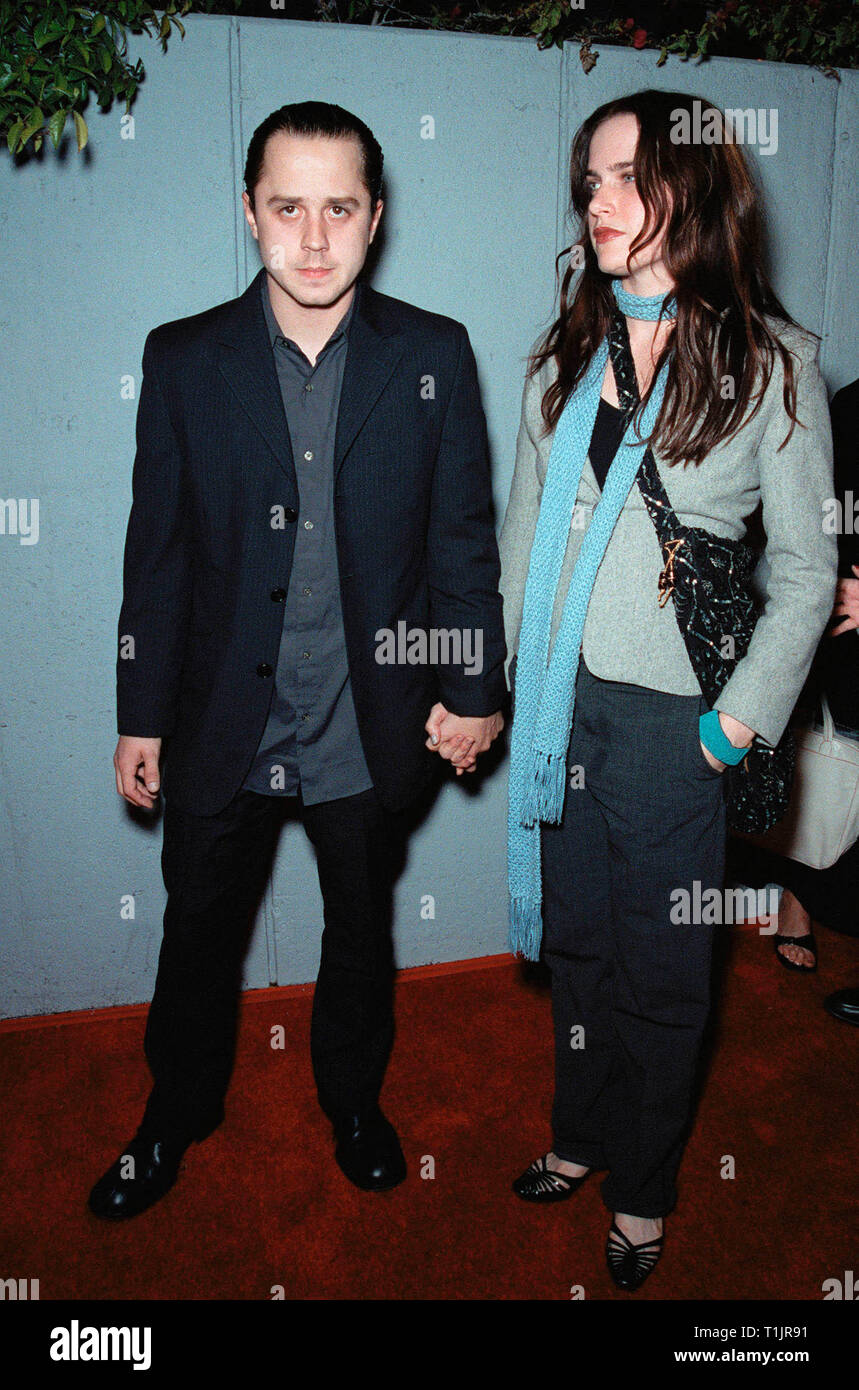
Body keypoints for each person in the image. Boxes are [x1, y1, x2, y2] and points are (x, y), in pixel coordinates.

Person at [89, 101, 506, 1222]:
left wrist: (472, 690)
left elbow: (460, 541)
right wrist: (139, 712)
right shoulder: (182, 360)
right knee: (196, 934)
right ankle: (174, 1112)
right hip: (219, 715)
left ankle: (355, 1105)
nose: (312, 239)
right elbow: (158, 555)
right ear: (248, 213)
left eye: (338, 208)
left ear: (375, 218)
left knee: (360, 933)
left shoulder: (433, 354)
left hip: (370, 721)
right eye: (287, 207)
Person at [499, 89, 837, 1290]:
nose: (599, 199)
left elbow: (805, 574)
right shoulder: (563, 353)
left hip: (671, 723)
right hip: (559, 710)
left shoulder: (774, 366)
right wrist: (512, 681)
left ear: (692, 192)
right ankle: (581, 1130)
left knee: (662, 969)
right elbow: (522, 534)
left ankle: (643, 1185)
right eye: (589, 178)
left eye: (629, 176)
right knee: (578, 951)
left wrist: (729, 727)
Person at [728, 377, 859, 975]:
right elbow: (808, 523)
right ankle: (796, 903)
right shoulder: (850, 404)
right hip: (840, 630)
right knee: (817, 762)